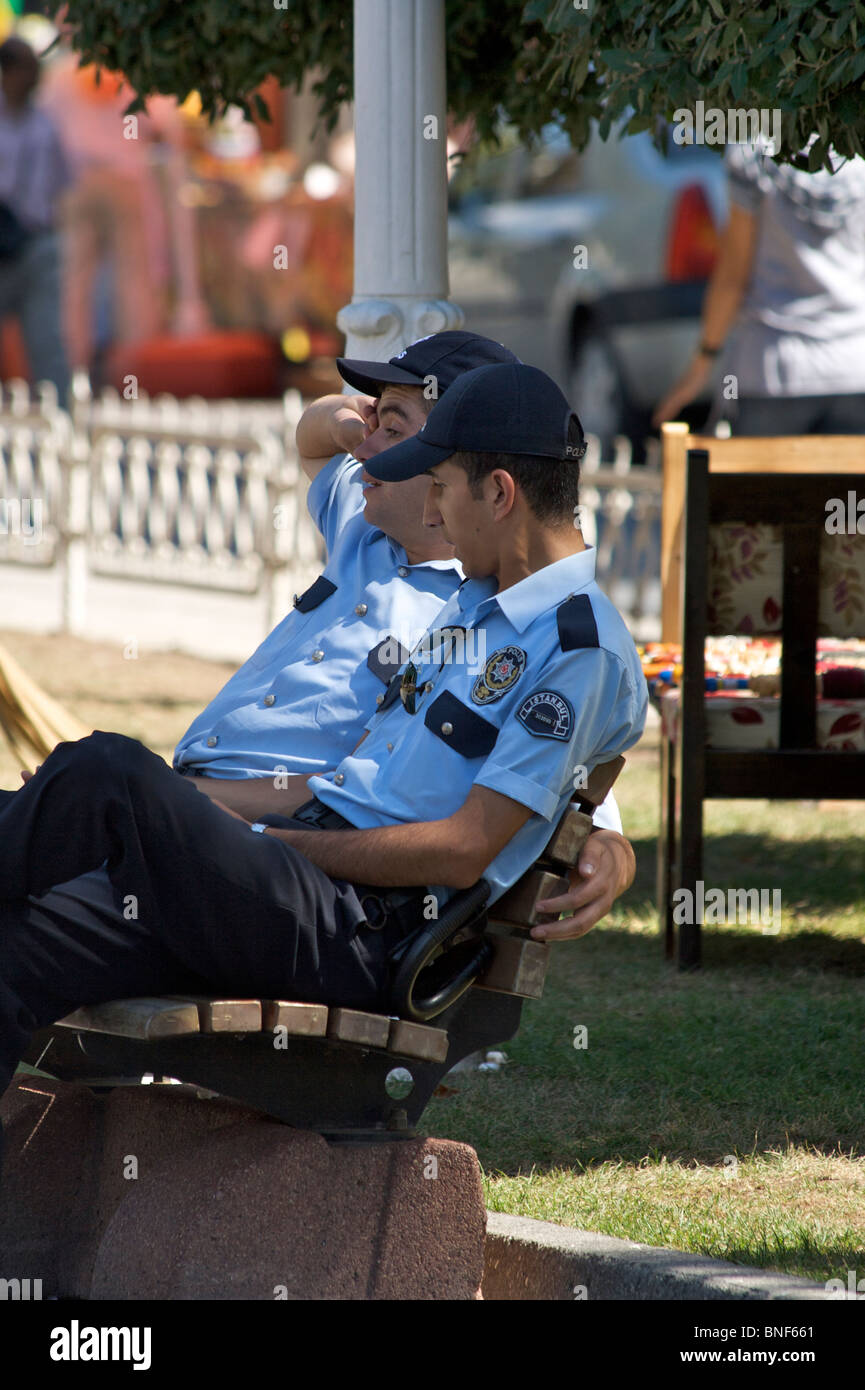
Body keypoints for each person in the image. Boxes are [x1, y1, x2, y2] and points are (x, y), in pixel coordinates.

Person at [0, 363, 647, 1104]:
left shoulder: (575, 648)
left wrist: (278, 845)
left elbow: (468, 848)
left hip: (359, 932)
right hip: (297, 892)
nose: (432, 512)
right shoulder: (478, 600)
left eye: (439, 488)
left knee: (109, 771)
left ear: (497, 493)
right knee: (19, 945)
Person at [653, 138, 865, 435]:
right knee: (849, 484)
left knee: (765, 482)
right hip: (855, 366)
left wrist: (702, 365)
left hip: (772, 369)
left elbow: (732, 276)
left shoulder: (754, 147)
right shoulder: (856, 144)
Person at [0, 36, 71, 398]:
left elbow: (63, 183)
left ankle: (60, 420)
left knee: (47, 340)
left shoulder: (45, 124)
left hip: (37, 242)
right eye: (26, 68)